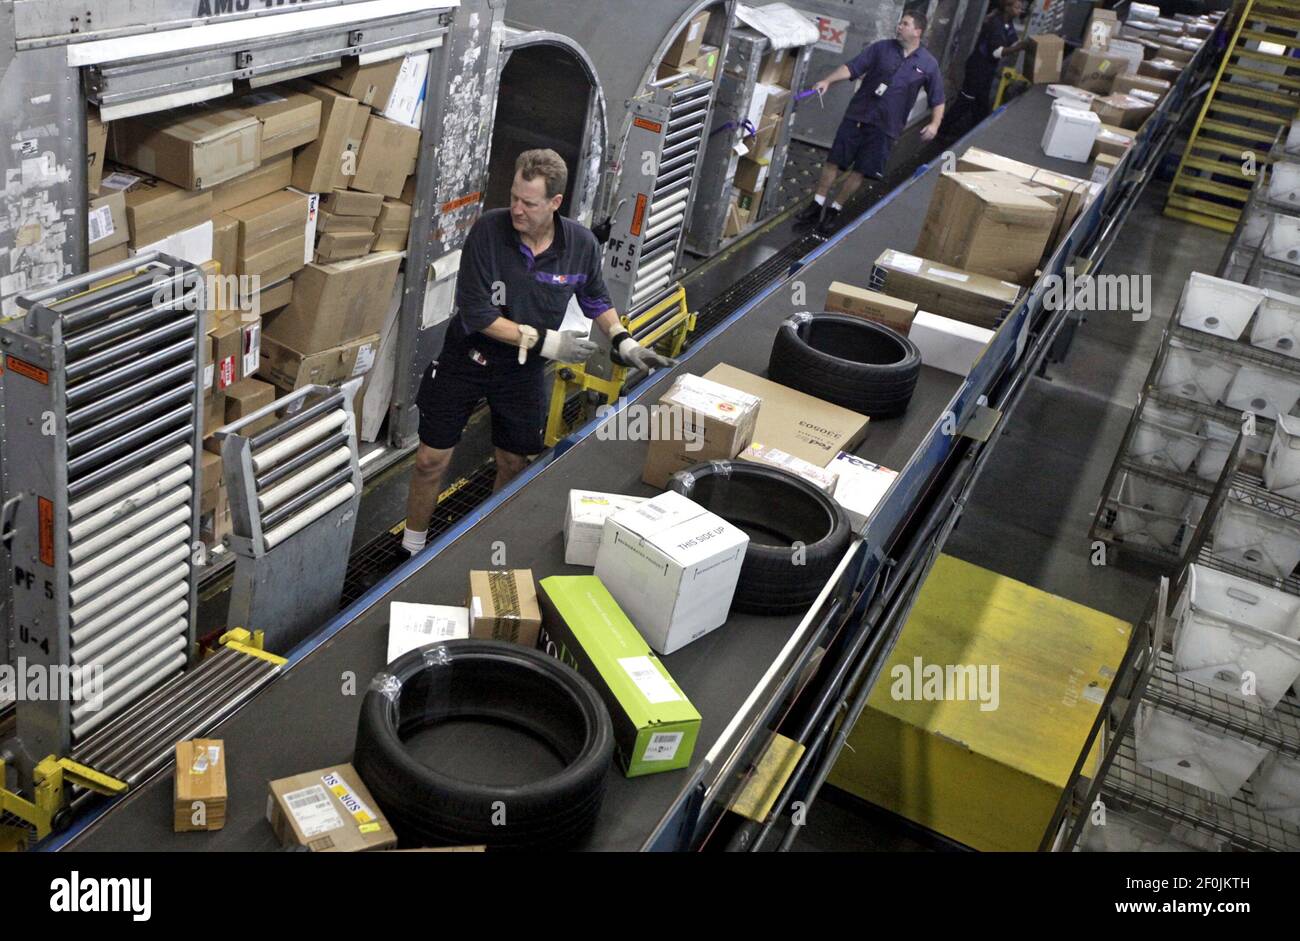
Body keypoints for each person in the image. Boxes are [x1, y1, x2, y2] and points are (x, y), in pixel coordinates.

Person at [401, 149, 675, 556]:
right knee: (430, 460)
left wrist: (622, 339)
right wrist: (550, 343)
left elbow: (595, 297)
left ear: (555, 203)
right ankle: (410, 547)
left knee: (513, 464)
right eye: (514, 197)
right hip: (469, 358)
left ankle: (482, 546)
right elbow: (477, 315)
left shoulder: (579, 245)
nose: (516, 208)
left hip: (522, 371)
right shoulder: (488, 233)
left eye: (528, 202)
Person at [793, 10, 945, 236]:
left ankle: (835, 209)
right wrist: (828, 80)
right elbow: (853, 67)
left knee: (861, 170)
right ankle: (817, 203)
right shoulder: (882, 48)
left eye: (905, 24)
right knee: (834, 160)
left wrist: (934, 124)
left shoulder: (928, 64)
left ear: (917, 31)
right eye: (900, 22)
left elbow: (938, 98)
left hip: (886, 127)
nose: (899, 26)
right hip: (858, 115)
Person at [943, 0, 1035, 142]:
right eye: (1017, 7)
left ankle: (977, 133)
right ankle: (942, 130)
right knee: (966, 99)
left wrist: (1026, 43)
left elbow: (1012, 40)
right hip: (978, 67)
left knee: (981, 101)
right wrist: (1021, 47)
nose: (1020, 10)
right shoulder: (995, 25)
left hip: (988, 68)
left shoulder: (1007, 23)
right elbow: (996, 52)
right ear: (1007, 8)